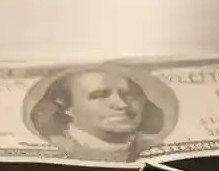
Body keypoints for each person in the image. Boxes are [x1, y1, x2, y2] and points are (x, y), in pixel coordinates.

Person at [28, 67, 168, 162]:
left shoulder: (152, 146)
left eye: (128, 95)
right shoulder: (60, 148)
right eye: (100, 95)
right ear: (67, 107)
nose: (122, 105)